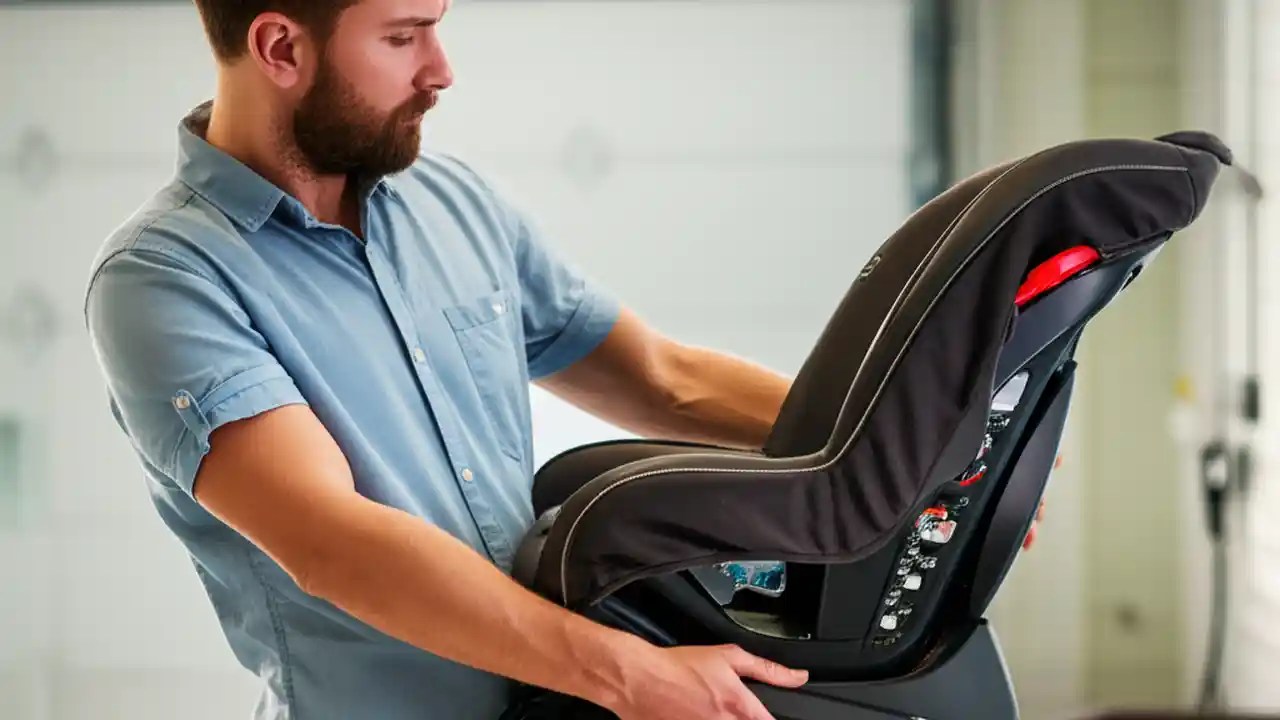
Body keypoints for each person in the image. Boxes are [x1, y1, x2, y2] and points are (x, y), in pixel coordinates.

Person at [84, 1, 1046, 718]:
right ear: (280, 46)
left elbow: (666, 380)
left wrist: (929, 460)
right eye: (402, 35)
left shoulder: (454, 205)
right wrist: (629, 675)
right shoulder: (167, 280)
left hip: (557, 703)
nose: (442, 69)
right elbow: (334, 541)